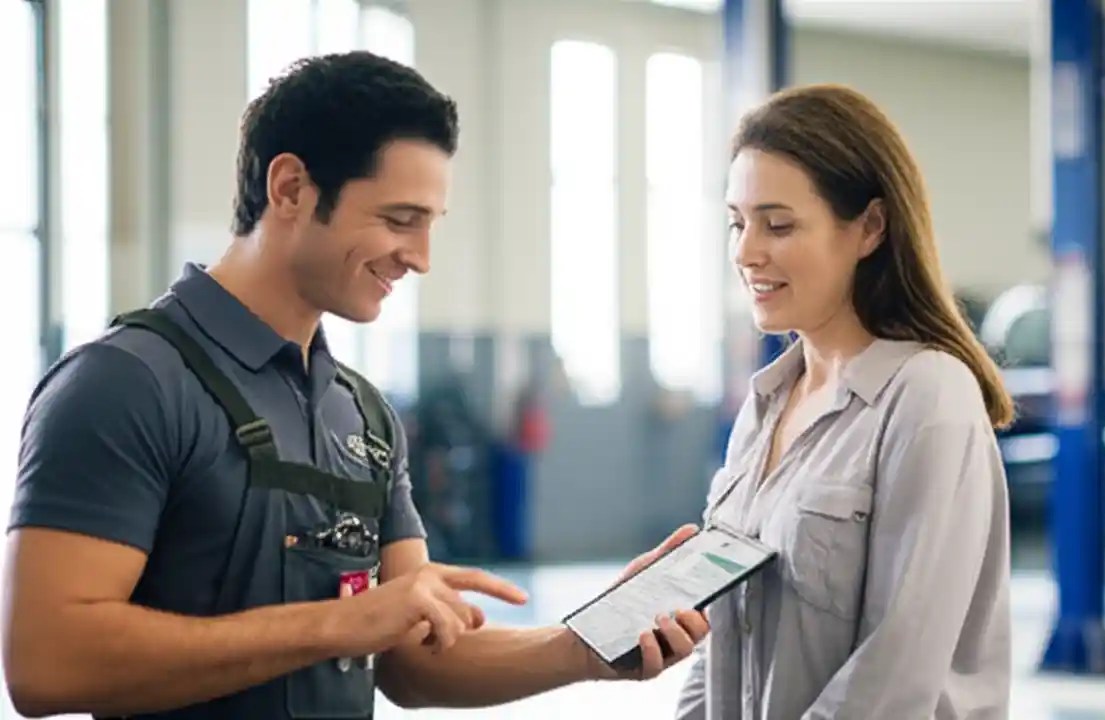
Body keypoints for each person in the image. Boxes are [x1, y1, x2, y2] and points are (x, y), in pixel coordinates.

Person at [3, 51, 708, 719]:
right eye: (399, 220)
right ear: (290, 189)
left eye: (430, 225)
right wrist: (336, 623)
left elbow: (411, 662)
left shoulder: (363, 415)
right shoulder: (126, 385)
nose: (421, 258)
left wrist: (585, 646)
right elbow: (47, 663)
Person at [675, 84, 1014, 719]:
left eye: (778, 224)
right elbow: (721, 645)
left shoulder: (927, 398)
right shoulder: (766, 404)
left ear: (870, 228)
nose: (747, 251)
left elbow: (897, 669)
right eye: (736, 222)